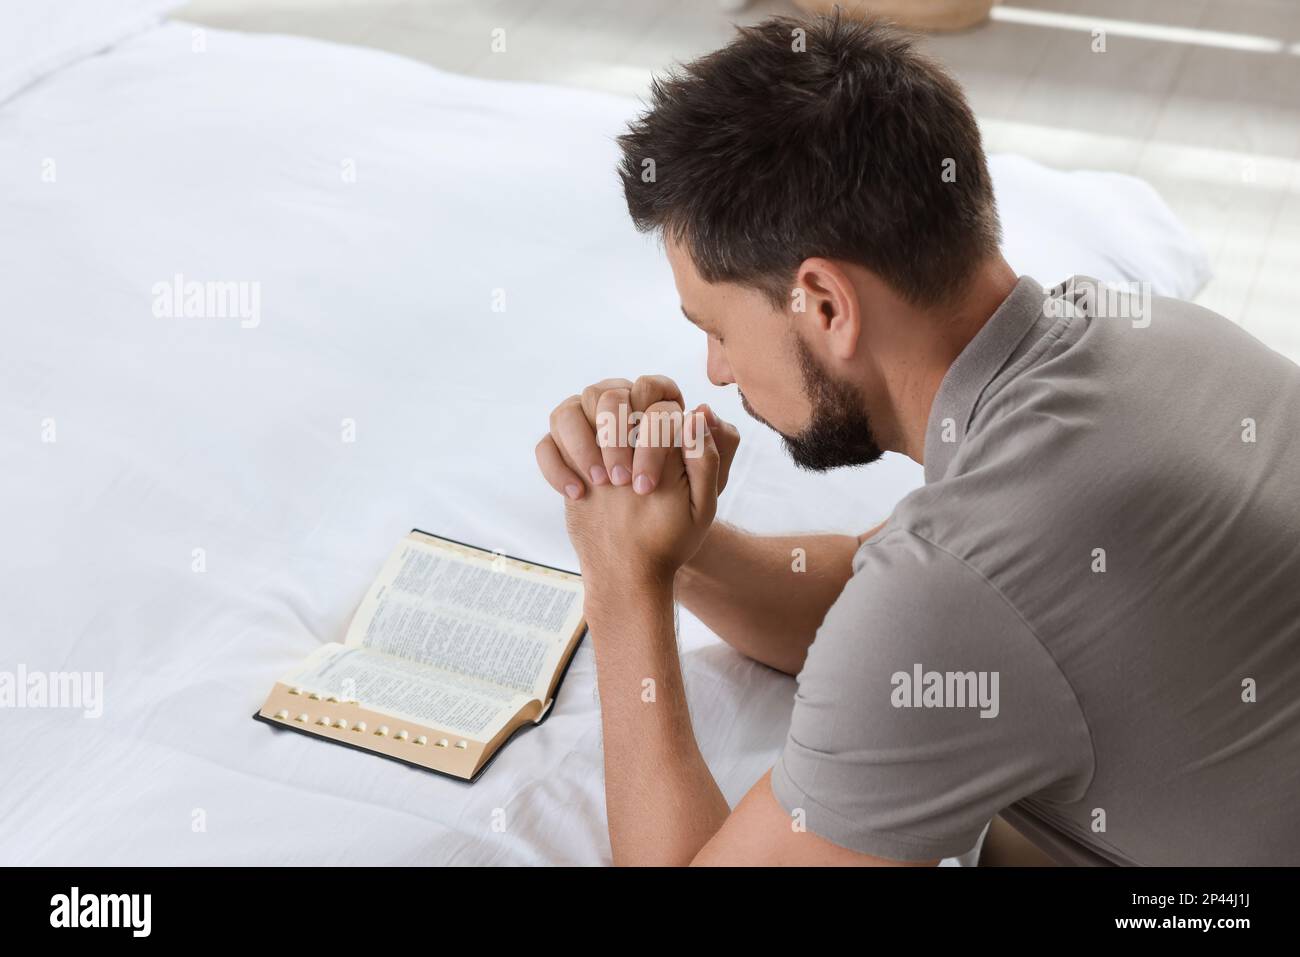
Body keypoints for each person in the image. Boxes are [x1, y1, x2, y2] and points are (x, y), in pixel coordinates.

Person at [533, 13, 1300, 866]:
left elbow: (938, 608)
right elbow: (872, 603)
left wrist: (621, 584)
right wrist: (680, 542)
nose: (714, 370)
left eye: (715, 327)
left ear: (825, 305)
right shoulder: (1141, 331)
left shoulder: (963, 576)